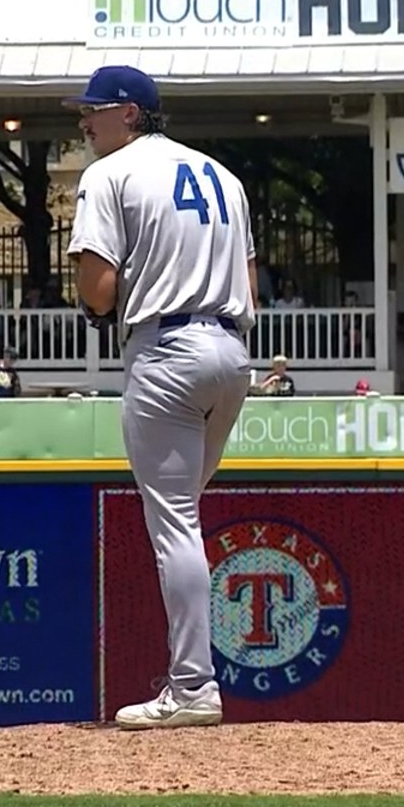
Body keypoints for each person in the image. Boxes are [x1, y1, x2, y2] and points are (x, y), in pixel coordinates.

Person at [64, 64, 256, 730]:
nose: (84, 122)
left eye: (93, 110)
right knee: (184, 519)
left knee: (175, 524)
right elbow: (250, 286)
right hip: (232, 353)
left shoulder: (109, 173)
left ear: (130, 113)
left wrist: (105, 293)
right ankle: (191, 677)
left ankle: (194, 685)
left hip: (168, 351)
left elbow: (98, 292)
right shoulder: (223, 175)